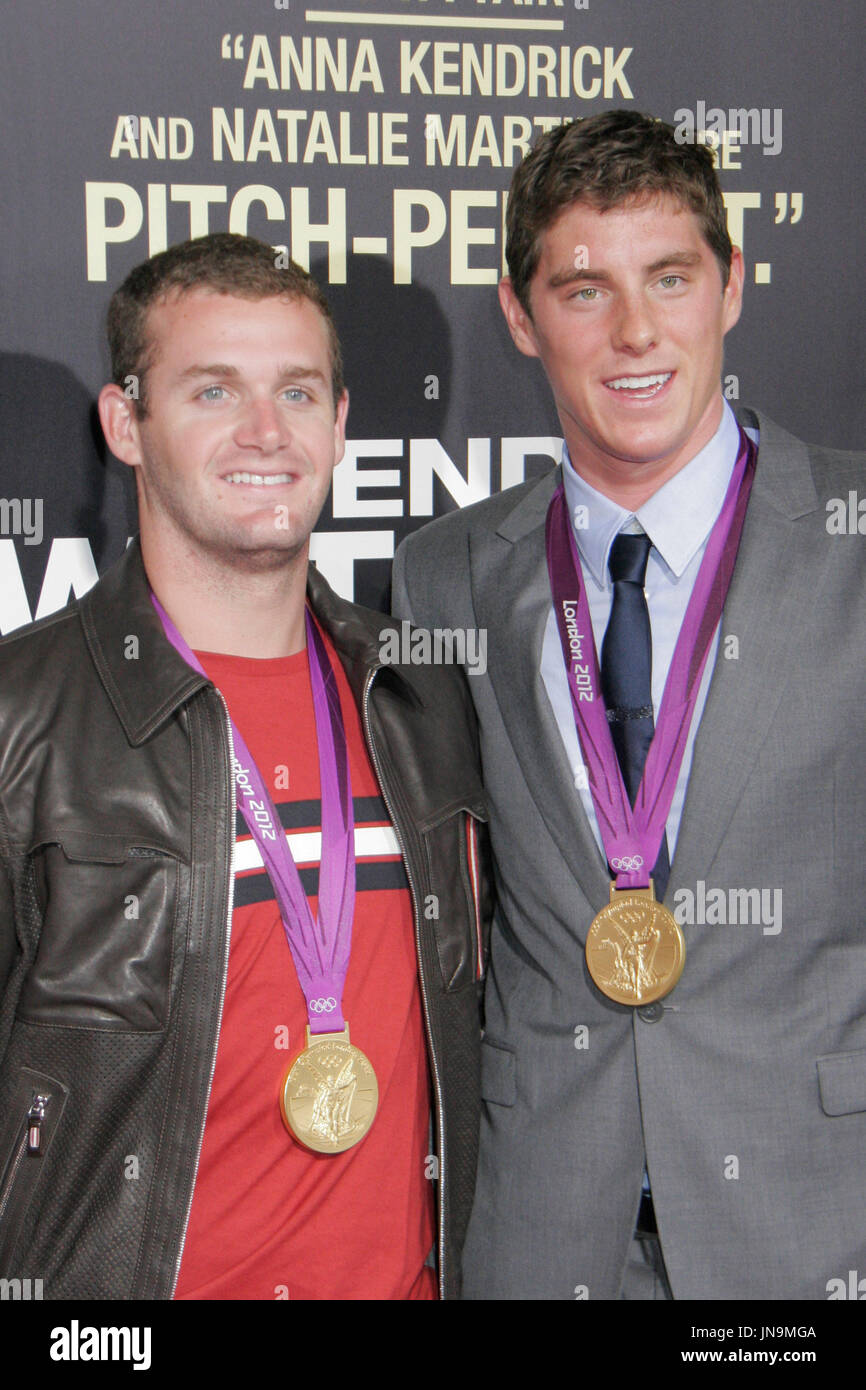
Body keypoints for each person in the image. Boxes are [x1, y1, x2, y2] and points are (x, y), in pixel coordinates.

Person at [392, 109, 866, 1300]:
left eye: (668, 277)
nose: (635, 331)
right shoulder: (445, 570)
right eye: (582, 289)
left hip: (814, 1225)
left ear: (732, 287)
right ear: (517, 314)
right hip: (548, 1227)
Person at [0, 232, 489, 1300]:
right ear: (125, 424)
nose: (265, 433)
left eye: (298, 392)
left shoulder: (419, 697)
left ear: (341, 420)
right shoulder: (20, 715)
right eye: (213, 390)